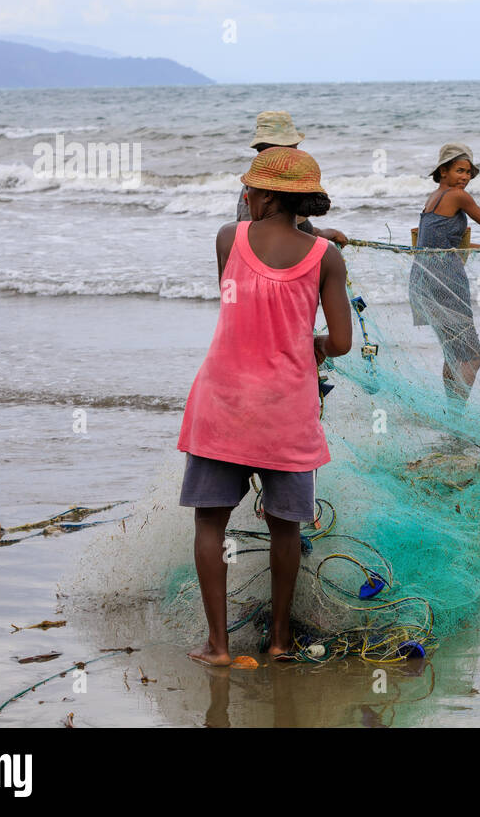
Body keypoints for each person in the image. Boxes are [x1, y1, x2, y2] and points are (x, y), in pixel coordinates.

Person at [178, 147, 352, 666]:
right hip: (286, 413)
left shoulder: (228, 238)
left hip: (223, 406)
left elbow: (236, 303)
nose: (245, 196)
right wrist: (313, 345)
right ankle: (278, 641)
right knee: (285, 528)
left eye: (250, 189)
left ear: (268, 194)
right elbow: (341, 343)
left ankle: (218, 646)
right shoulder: (327, 258)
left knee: (210, 524)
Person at [408, 143, 480, 403]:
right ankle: (457, 416)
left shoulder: (432, 198)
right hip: (445, 280)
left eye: (469, 173)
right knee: (472, 355)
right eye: (460, 170)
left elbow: (438, 243)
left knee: (454, 353)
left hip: (423, 278)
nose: (465, 177)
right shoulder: (458, 196)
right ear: (443, 171)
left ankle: (453, 415)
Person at [235, 110, 348, 246]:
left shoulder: (254, 183)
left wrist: (326, 233)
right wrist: (326, 235)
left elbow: (298, 229)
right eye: (294, 147)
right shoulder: (282, 186)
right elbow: (295, 233)